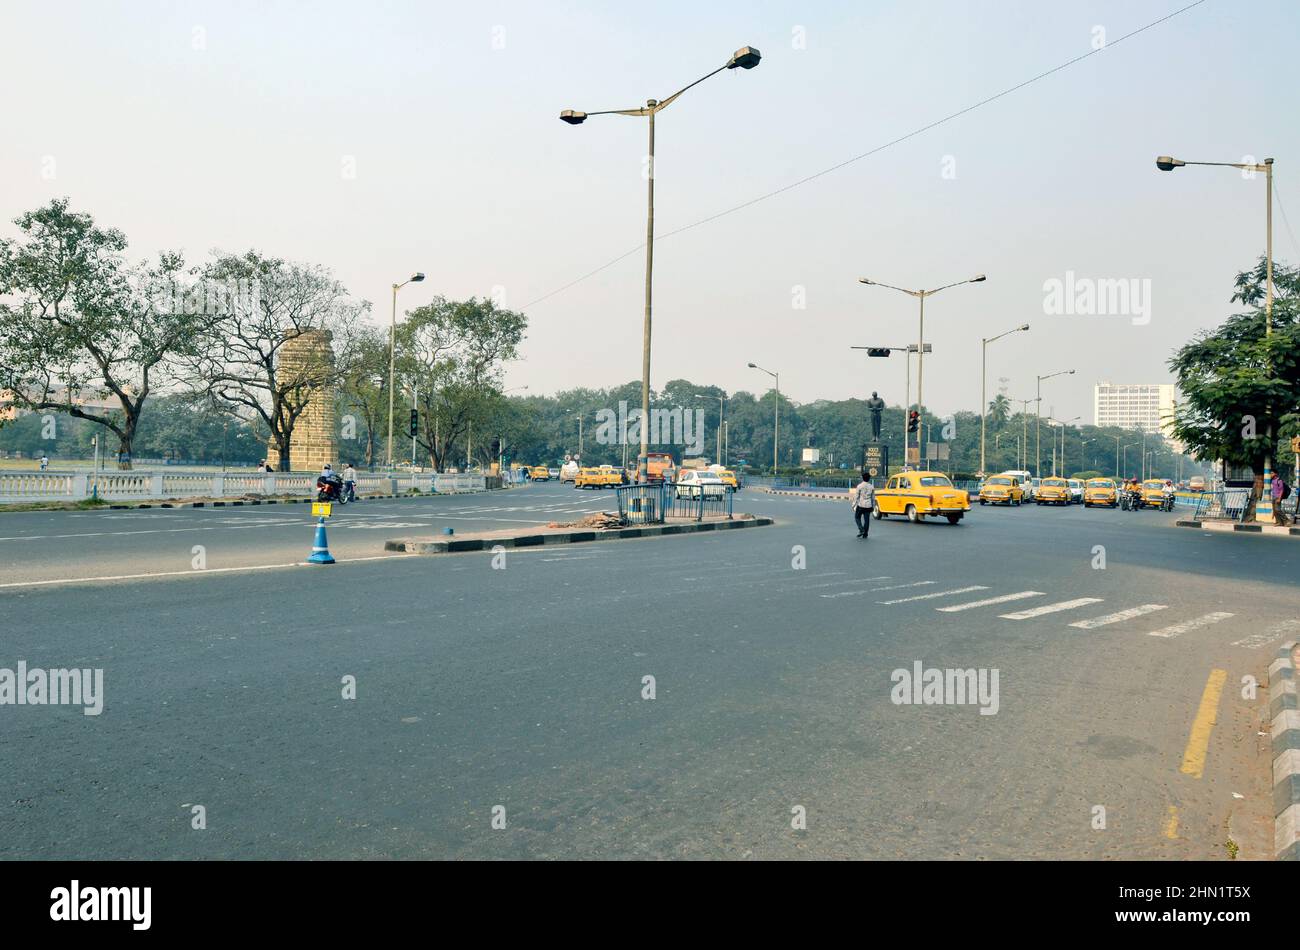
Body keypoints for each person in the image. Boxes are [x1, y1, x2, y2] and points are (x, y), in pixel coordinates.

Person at [850, 469, 875, 539]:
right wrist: (873, 506)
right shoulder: (871, 486)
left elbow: (856, 497)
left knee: (857, 517)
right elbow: (873, 498)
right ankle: (865, 534)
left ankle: (861, 530)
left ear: (862, 478)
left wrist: (853, 505)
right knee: (867, 520)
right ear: (869, 479)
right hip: (868, 505)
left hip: (861, 505)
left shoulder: (859, 486)